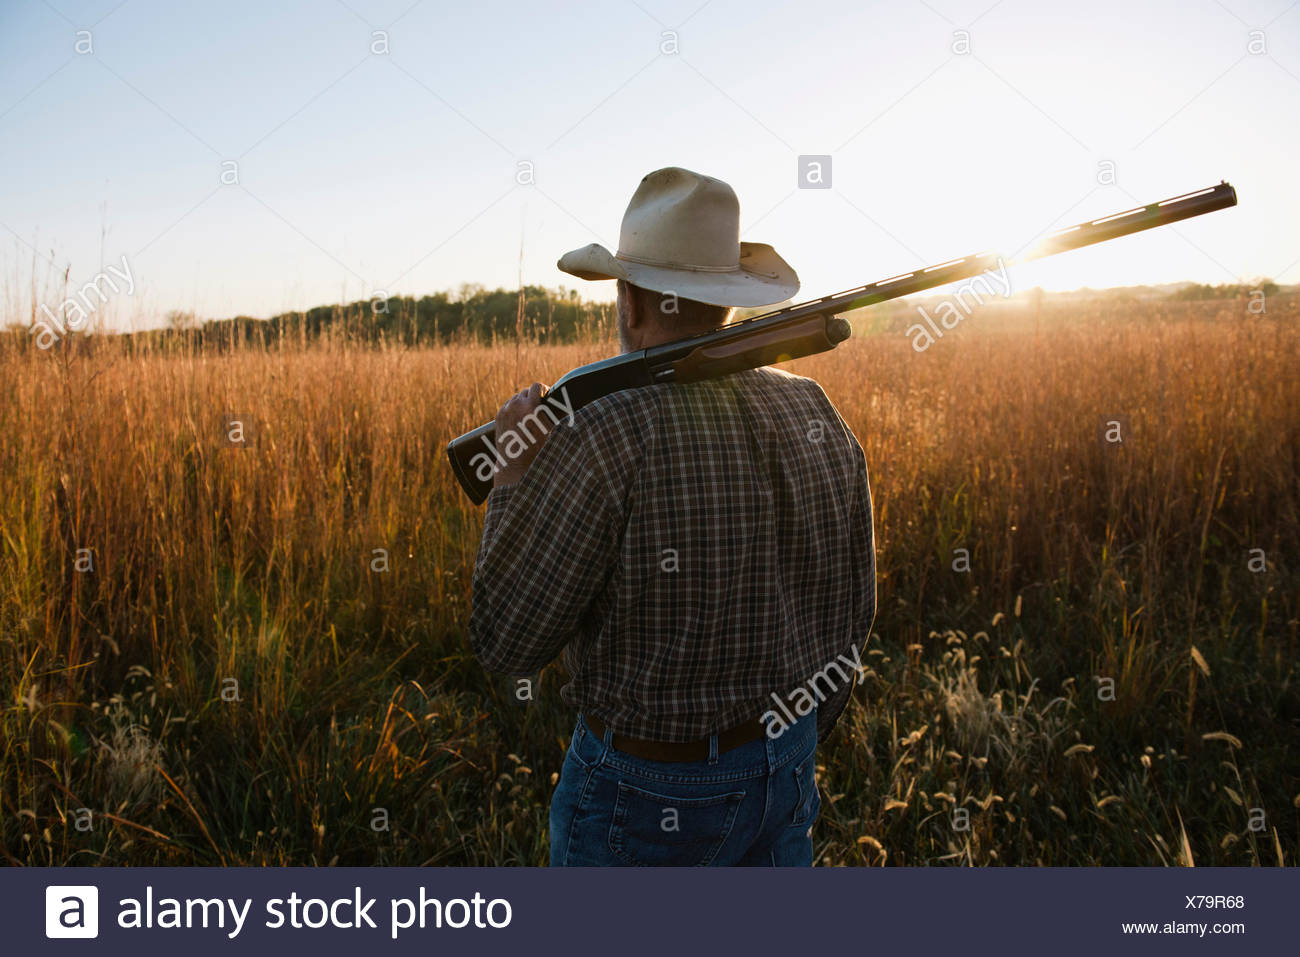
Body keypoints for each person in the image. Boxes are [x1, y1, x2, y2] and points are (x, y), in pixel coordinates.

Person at [469, 167, 875, 866]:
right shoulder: (815, 410)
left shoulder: (602, 429)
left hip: (642, 793)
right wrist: (794, 737)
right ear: (725, 300)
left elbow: (505, 640)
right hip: (786, 765)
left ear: (629, 302)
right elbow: (852, 610)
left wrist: (511, 479)